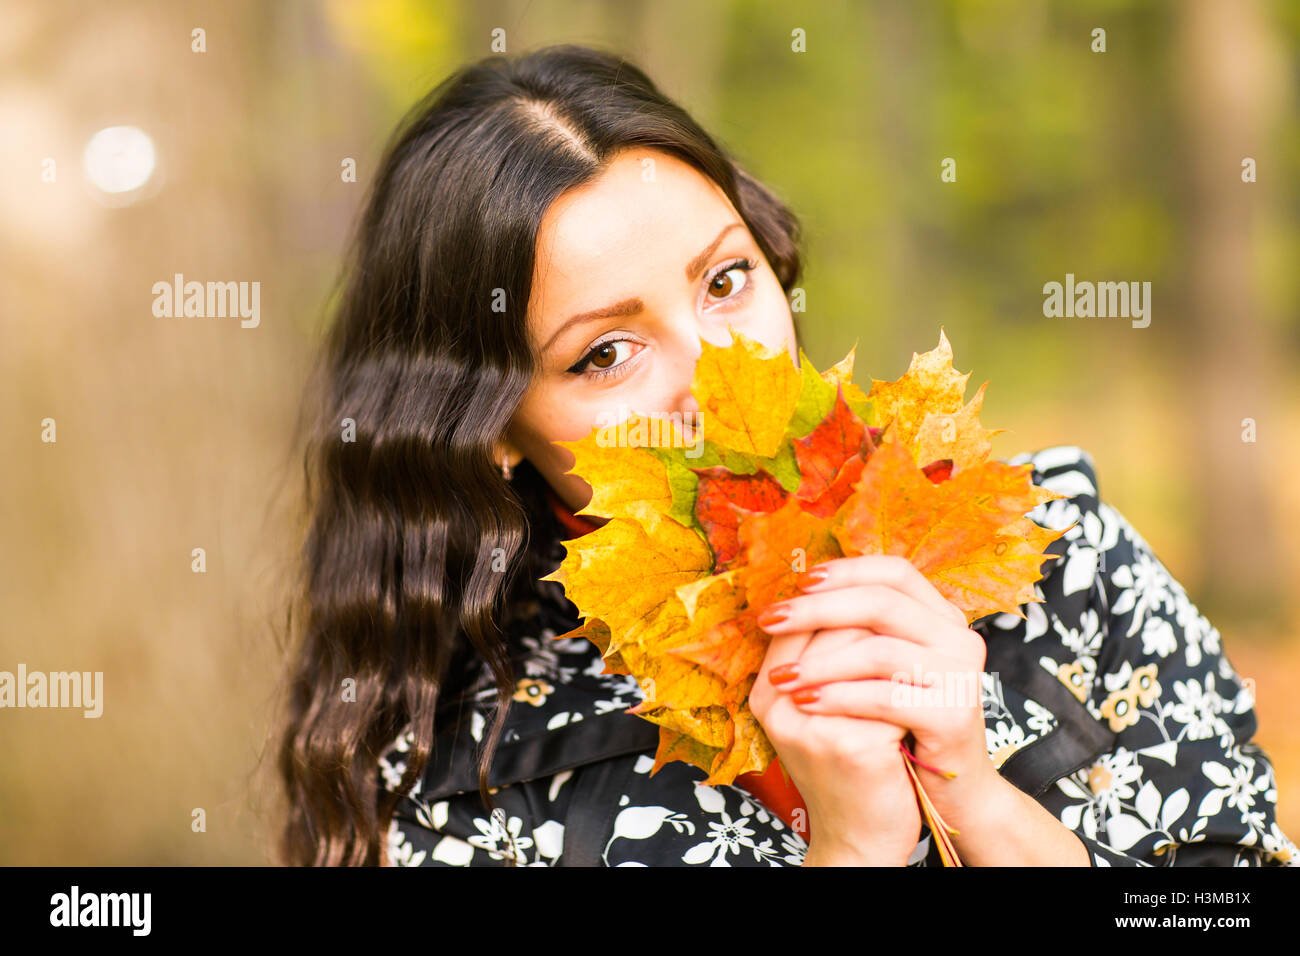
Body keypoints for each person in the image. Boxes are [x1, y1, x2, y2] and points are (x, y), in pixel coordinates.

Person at [276, 43, 1299, 867]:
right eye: (603, 352)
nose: (716, 372)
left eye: (723, 282)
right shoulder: (463, 764)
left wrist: (977, 805)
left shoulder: (1053, 552)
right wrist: (854, 844)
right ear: (489, 424)